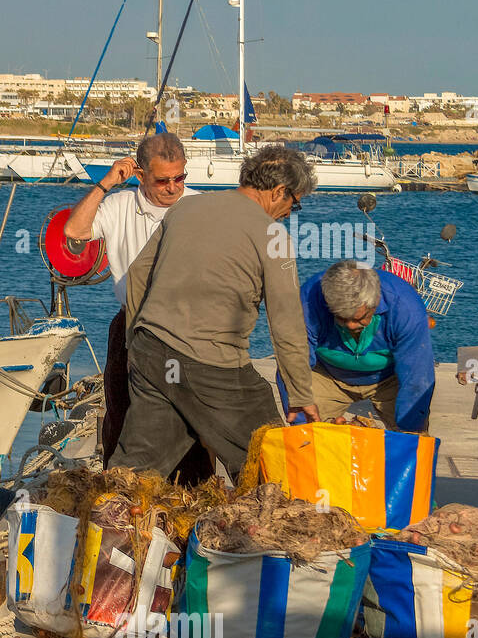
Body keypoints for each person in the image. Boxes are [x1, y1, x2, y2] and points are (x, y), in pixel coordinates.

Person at [109, 145, 321, 479]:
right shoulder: (274, 236)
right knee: (269, 459)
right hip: (212, 365)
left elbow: (137, 277)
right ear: (279, 192)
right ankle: (281, 523)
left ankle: (104, 524)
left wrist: (135, 345)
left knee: (135, 470)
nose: (288, 212)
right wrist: (300, 394)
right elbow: (286, 322)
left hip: (153, 354)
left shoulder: (186, 208)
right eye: (294, 204)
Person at [61, 132, 210, 481]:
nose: (173, 187)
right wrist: (106, 183)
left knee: (192, 413)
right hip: (134, 322)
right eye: (163, 180)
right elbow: (75, 230)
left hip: (189, 325)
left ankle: (195, 487)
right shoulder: (120, 205)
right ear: (141, 175)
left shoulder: (201, 206)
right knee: (122, 410)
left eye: (180, 177)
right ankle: (119, 484)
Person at [278, 260, 435, 432]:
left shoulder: (406, 307)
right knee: (307, 439)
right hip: (326, 375)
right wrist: (301, 415)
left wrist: (410, 432)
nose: (351, 326)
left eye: (359, 319)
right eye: (342, 318)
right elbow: (293, 362)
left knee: (411, 441)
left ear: (375, 303)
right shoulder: (308, 302)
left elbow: (417, 376)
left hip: (390, 378)